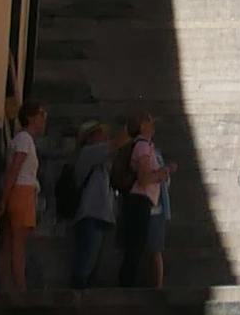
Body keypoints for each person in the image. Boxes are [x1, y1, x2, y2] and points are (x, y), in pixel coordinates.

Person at [0, 102, 44, 301]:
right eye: (41, 115)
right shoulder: (25, 140)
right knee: (18, 243)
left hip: (19, 191)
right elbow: (15, 169)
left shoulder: (21, 139)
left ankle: (7, 286)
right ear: (31, 118)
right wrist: (4, 199)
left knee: (9, 242)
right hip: (23, 192)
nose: (44, 120)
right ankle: (20, 288)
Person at [121, 111, 170, 290]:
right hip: (139, 199)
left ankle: (129, 285)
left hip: (144, 200)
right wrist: (163, 173)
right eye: (149, 121)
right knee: (136, 245)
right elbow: (143, 179)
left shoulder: (146, 146)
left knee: (137, 244)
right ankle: (127, 286)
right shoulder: (142, 146)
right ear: (142, 125)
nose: (153, 124)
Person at [66, 116, 115, 294]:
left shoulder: (100, 161)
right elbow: (115, 145)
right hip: (90, 215)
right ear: (90, 137)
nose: (105, 137)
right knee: (85, 262)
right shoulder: (88, 153)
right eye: (101, 134)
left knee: (92, 262)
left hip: (99, 215)